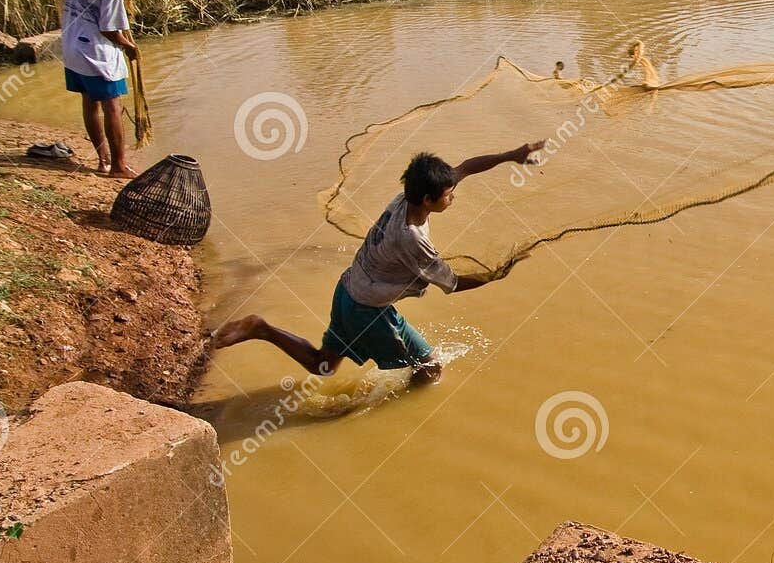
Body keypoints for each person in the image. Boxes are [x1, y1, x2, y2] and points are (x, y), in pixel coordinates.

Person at [213, 145, 544, 385]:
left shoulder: (404, 199)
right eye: (447, 194)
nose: (453, 196)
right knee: (430, 369)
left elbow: (466, 167)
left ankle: (261, 328)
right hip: (368, 311)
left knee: (323, 367)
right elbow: (453, 284)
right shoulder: (412, 240)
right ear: (429, 200)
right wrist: (496, 273)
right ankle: (405, 429)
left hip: (348, 290)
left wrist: (510, 155)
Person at [52, 0, 142, 178]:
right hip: (96, 53)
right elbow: (109, 29)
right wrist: (129, 46)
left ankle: (103, 159)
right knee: (112, 107)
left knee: (89, 103)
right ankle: (118, 166)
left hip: (72, 46)